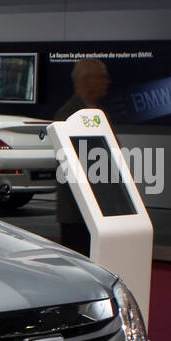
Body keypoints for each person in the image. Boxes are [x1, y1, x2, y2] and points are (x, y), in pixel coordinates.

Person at [54, 59, 112, 255]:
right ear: (87, 80)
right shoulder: (69, 116)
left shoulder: (96, 113)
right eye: (102, 77)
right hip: (78, 214)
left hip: (97, 210)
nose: (107, 82)